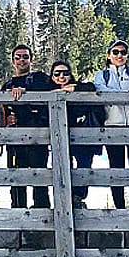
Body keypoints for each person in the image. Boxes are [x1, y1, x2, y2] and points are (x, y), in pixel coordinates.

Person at [93, 16, 129, 209]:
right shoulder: (101, 75)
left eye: (123, 52)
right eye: (116, 52)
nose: (120, 55)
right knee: (116, 167)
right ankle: (119, 205)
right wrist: (127, 94)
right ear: (108, 55)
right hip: (113, 126)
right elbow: (102, 93)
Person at [2, 44, 54, 208]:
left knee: (40, 177)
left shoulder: (39, 78)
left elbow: (51, 89)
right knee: (16, 179)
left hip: (38, 137)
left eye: (25, 56)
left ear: (31, 59)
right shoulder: (7, 85)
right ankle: (18, 213)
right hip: (15, 140)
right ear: (13, 61)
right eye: (18, 57)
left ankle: (42, 212)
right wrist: (6, 119)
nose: (22, 60)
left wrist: (24, 91)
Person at [49, 60, 103, 208]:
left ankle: (78, 197)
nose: (61, 76)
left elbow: (92, 88)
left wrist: (74, 88)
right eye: (57, 73)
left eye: (66, 73)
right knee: (62, 167)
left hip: (82, 137)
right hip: (60, 138)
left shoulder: (79, 87)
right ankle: (64, 199)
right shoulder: (48, 90)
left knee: (84, 166)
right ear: (52, 76)